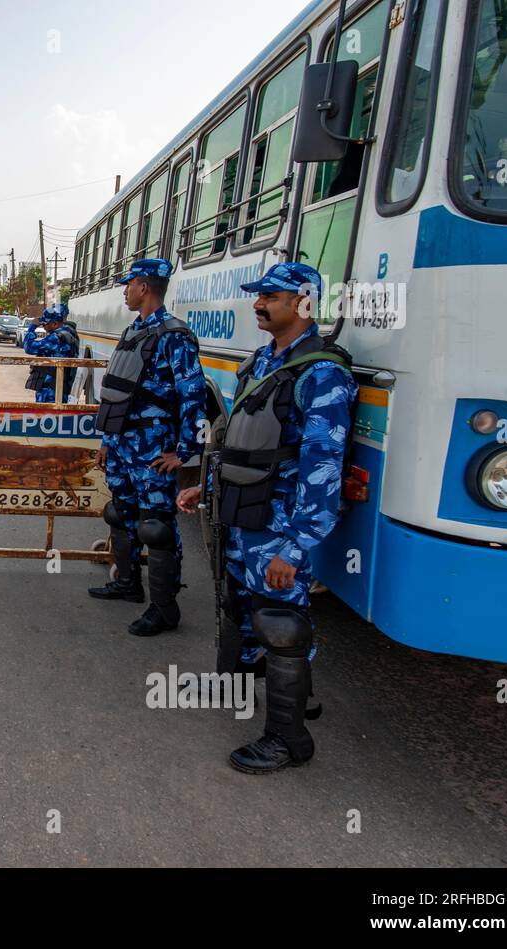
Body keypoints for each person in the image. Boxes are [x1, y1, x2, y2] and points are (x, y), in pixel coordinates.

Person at [178, 261, 356, 773]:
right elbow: (238, 440)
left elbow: (322, 468)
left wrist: (296, 547)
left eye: (271, 297)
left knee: (281, 622)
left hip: (277, 523)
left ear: (303, 303)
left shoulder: (322, 374)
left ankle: (288, 739)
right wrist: (205, 489)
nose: (259, 304)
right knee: (241, 603)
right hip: (240, 510)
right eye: (259, 295)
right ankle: (253, 688)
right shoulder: (260, 361)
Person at [89, 258, 206, 637]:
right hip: (123, 444)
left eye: (129, 285)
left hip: (154, 447)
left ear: (145, 287)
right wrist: (107, 441)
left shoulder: (175, 336)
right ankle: (127, 583)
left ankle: (164, 609)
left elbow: (193, 396)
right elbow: (116, 392)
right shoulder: (133, 332)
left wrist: (184, 452)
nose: (124, 291)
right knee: (119, 512)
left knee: (156, 526)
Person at [22, 303, 79, 402]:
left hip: (51, 390)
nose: (43, 326)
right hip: (59, 387)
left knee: (45, 415)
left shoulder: (56, 337)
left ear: (55, 324)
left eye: (45, 323)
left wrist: (32, 328)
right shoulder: (69, 334)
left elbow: (29, 347)